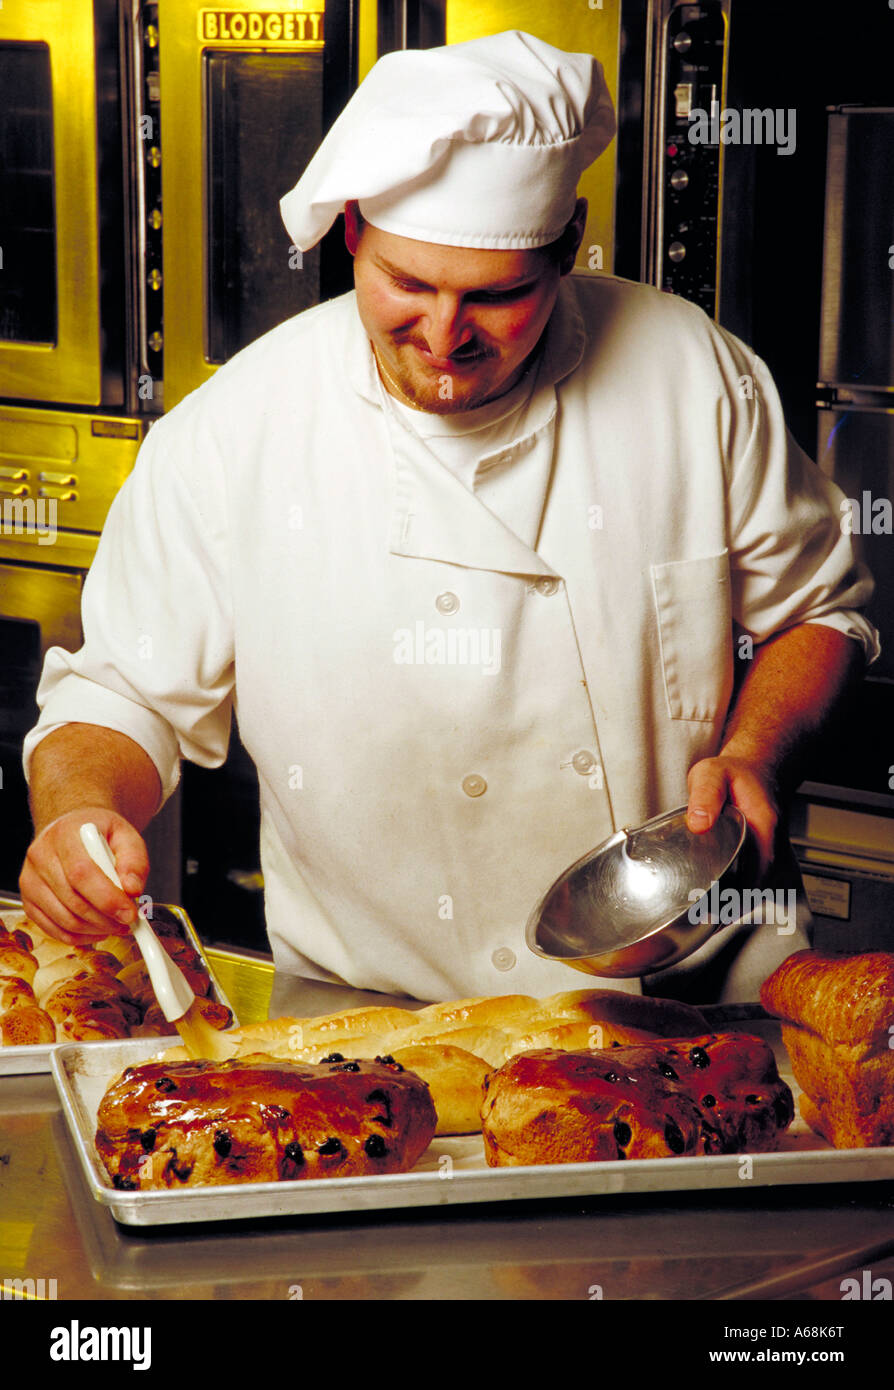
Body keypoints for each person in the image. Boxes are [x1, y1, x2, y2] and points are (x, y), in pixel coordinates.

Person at [19, 32, 877, 1005]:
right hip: (372, 1029)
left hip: (699, 993)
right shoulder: (233, 434)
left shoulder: (694, 378)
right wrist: (76, 816)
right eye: (407, 283)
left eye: (497, 296)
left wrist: (752, 751)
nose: (443, 336)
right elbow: (121, 694)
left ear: (567, 245)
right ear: (352, 236)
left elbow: (821, 612)